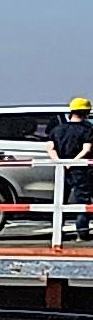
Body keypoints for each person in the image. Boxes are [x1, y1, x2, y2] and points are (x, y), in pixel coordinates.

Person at [55, 98, 92, 228]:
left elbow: (50, 147)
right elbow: (86, 149)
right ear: (86, 112)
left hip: (60, 170)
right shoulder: (88, 130)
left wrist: (60, 163)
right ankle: (82, 231)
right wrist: (72, 162)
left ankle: (57, 229)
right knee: (83, 201)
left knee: (59, 201)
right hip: (81, 170)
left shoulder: (58, 129)